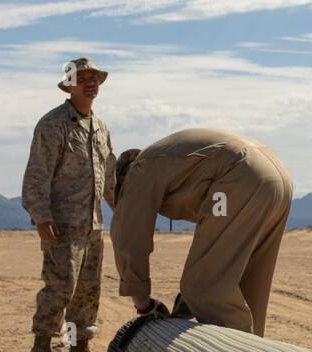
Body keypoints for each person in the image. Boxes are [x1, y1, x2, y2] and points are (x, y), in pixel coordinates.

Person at [110, 129, 292, 336]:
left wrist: (142, 303)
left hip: (241, 174)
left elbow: (130, 236)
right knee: (248, 285)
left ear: (122, 180)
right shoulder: (170, 161)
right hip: (276, 177)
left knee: (204, 289)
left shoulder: (139, 170)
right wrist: (187, 302)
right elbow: (215, 234)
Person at [20, 56, 116, 352]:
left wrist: (127, 210)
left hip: (93, 225)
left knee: (87, 291)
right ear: (69, 84)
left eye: (95, 78)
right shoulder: (53, 124)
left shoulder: (100, 128)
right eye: (83, 78)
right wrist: (41, 215)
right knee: (60, 287)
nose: (91, 83)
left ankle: (77, 351)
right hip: (61, 225)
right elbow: (37, 174)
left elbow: (109, 176)